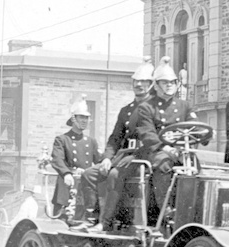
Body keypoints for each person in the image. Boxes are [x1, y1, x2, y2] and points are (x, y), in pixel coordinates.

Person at [99, 56, 197, 231]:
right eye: (165, 83)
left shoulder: (185, 106)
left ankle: (196, 210)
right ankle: (165, 213)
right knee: (161, 164)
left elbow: (194, 129)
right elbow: (148, 134)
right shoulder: (146, 108)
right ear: (156, 85)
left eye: (173, 82)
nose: (169, 85)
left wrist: (184, 148)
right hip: (154, 151)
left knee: (197, 168)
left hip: (180, 151)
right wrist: (167, 148)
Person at [78, 59, 155, 226]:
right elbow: (115, 138)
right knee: (89, 174)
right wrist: (106, 158)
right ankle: (91, 218)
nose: (139, 84)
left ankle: (107, 222)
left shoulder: (155, 108)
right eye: (136, 81)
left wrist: (134, 155)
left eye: (144, 81)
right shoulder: (126, 110)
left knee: (114, 175)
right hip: (122, 157)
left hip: (143, 157)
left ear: (151, 84)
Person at [50, 99, 102, 221]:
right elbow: (57, 159)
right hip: (67, 183)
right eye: (81, 117)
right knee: (63, 219)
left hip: (85, 184)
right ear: (73, 119)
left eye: (86, 118)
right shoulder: (62, 139)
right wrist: (66, 173)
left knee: (86, 218)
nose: (85, 121)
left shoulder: (91, 141)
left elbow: (99, 161)